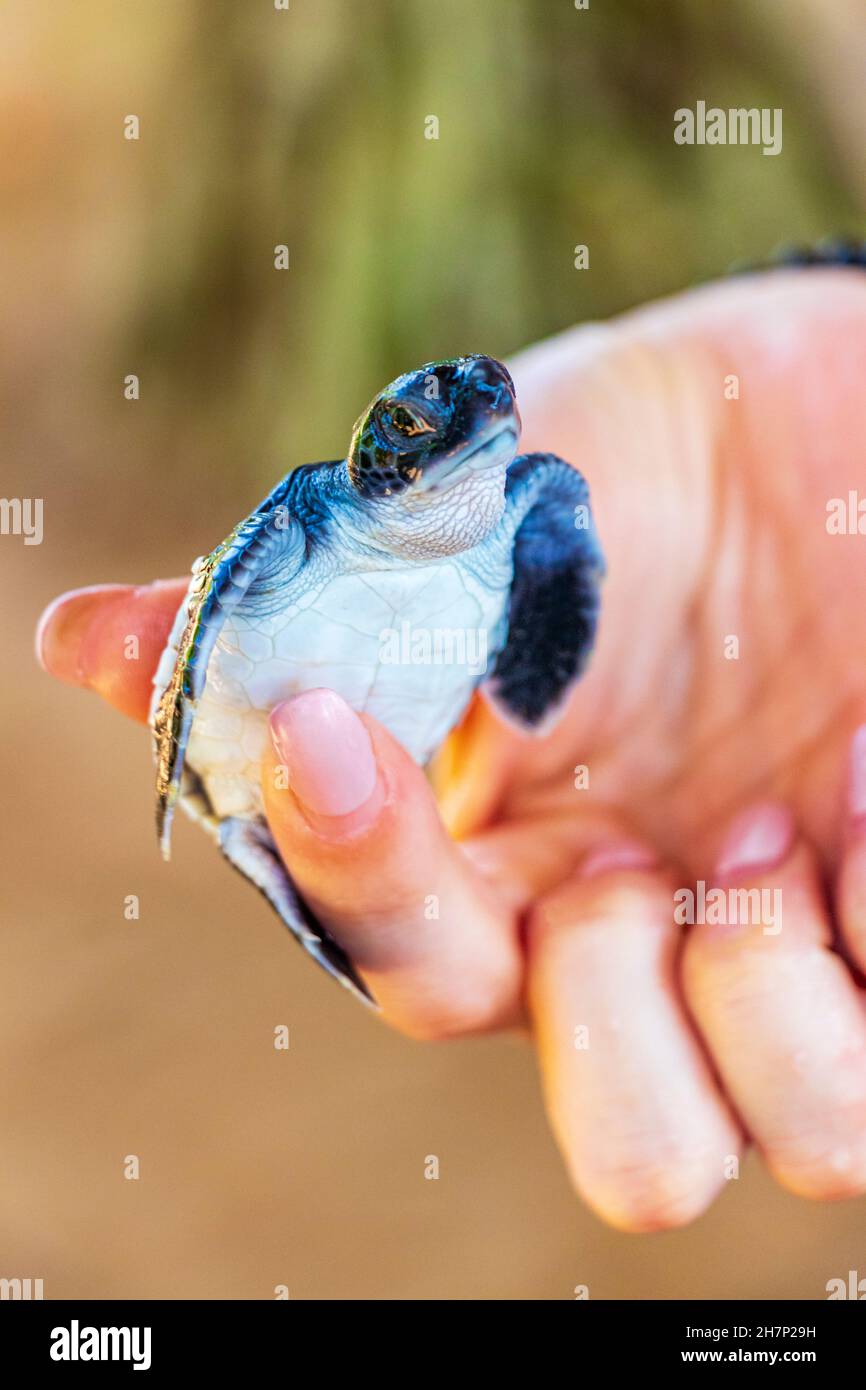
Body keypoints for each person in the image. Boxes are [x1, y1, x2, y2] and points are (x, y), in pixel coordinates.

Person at [37, 267, 866, 1232]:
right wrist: (172, 742)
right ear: (373, 452)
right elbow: (211, 597)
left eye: (492, 410)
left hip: (412, 734)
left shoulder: (530, 494)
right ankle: (254, 846)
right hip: (254, 750)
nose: (465, 429)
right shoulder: (311, 510)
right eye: (412, 427)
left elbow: (550, 570)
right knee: (265, 825)